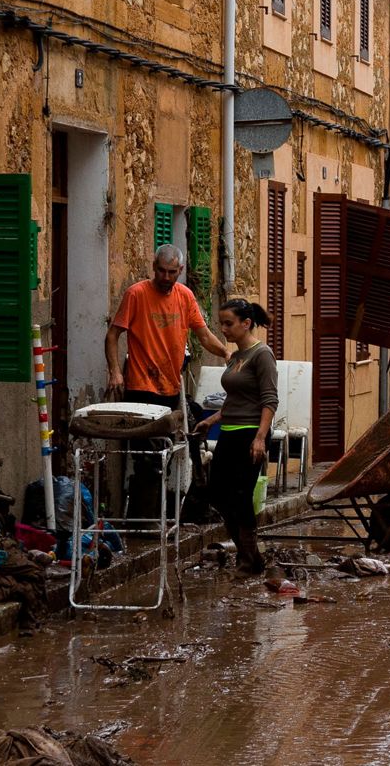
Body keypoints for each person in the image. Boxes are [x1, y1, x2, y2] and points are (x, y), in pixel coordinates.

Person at [105, 245, 228, 517]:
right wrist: (115, 371)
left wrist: (226, 353)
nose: (166, 277)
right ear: (154, 267)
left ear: (180, 271)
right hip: (141, 388)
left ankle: (156, 514)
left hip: (170, 388)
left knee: (165, 454)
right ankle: (146, 519)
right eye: (161, 271)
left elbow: (204, 335)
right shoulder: (136, 294)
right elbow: (112, 335)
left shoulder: (185, 296)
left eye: (172, 272)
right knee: (148, 457)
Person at [193, 300, 278, 573]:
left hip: (250, 434)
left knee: (241, 495)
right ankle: (250, 555)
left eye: (229, 323)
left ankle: (247, 560)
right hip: (229, 433)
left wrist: (260, 438)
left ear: (246, 323)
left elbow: (269, 400)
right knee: (218, 493)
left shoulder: (262, 355)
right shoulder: (236, 357)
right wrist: (211, 420)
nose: (224, 329)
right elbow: (234, 399)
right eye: (222, 324)